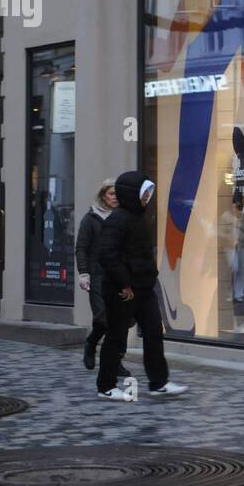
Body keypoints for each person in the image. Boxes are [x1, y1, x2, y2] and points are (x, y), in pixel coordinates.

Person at [95, 171, 186, 401]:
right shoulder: (117, 220)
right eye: (144, 193)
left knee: (154, 332)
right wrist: (124, 283)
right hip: (122, 290)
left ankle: (159, 382)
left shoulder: (139, 218)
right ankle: (106, 385)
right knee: (116, 336)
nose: (147, 198)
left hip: (144, 288)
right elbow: (107, 254)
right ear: (132, 194)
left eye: (148, 194)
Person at [76, 179, 130, 378]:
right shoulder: (91, 219)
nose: (114, 198)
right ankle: (91, 344)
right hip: (98, 275)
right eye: (111, 194)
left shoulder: (124, 217)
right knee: (103, 318)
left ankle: (117, 361)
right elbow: (81, 248)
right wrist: (84, 273)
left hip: (120, 275)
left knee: (123, 320)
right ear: (103, 196)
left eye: (117, 194)